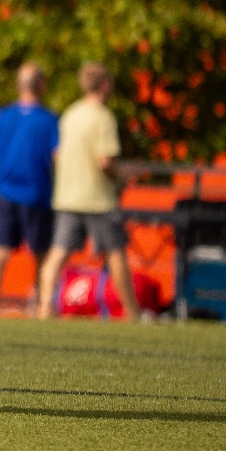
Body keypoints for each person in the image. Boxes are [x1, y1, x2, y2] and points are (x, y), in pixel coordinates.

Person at [37, 62, 136, 321]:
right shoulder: (103, 117)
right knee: (116, 254)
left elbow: (58, 155)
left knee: (58, 254)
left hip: (67, 196)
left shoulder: (71, 113)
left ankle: (45, 308)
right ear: (104, 85)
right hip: (98, 199)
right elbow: (106, 161)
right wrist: (123, 176)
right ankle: (132, 312)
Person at [0, 63, 59, 315]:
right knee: (42, 254)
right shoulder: (49, 120)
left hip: (5, 193)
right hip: (38, 193)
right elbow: (58, 157)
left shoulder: (2, 116)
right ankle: (40, 305)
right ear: (42, 85)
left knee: (0, 251)